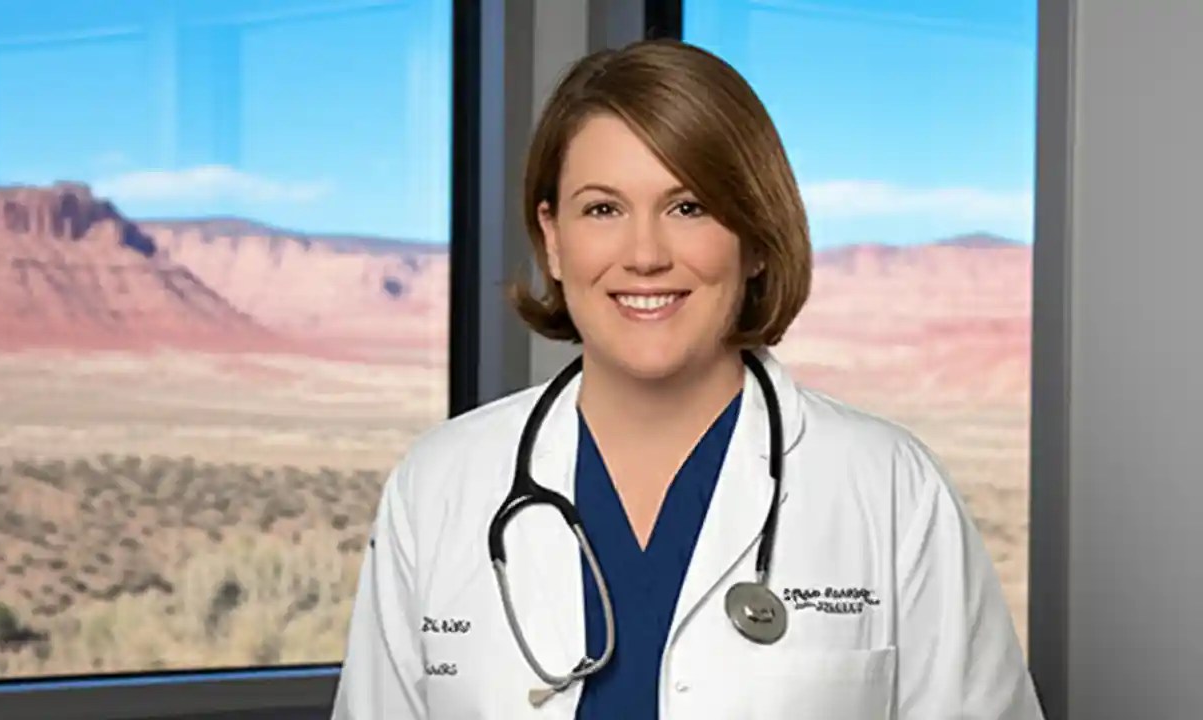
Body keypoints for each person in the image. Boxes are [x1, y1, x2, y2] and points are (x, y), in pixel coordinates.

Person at [330, 39, 1045, 719]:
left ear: (756, 239)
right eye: (603, 209)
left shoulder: (888, 487)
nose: (645, 254)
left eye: (689, 207)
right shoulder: (438, 486)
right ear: (552, 238)